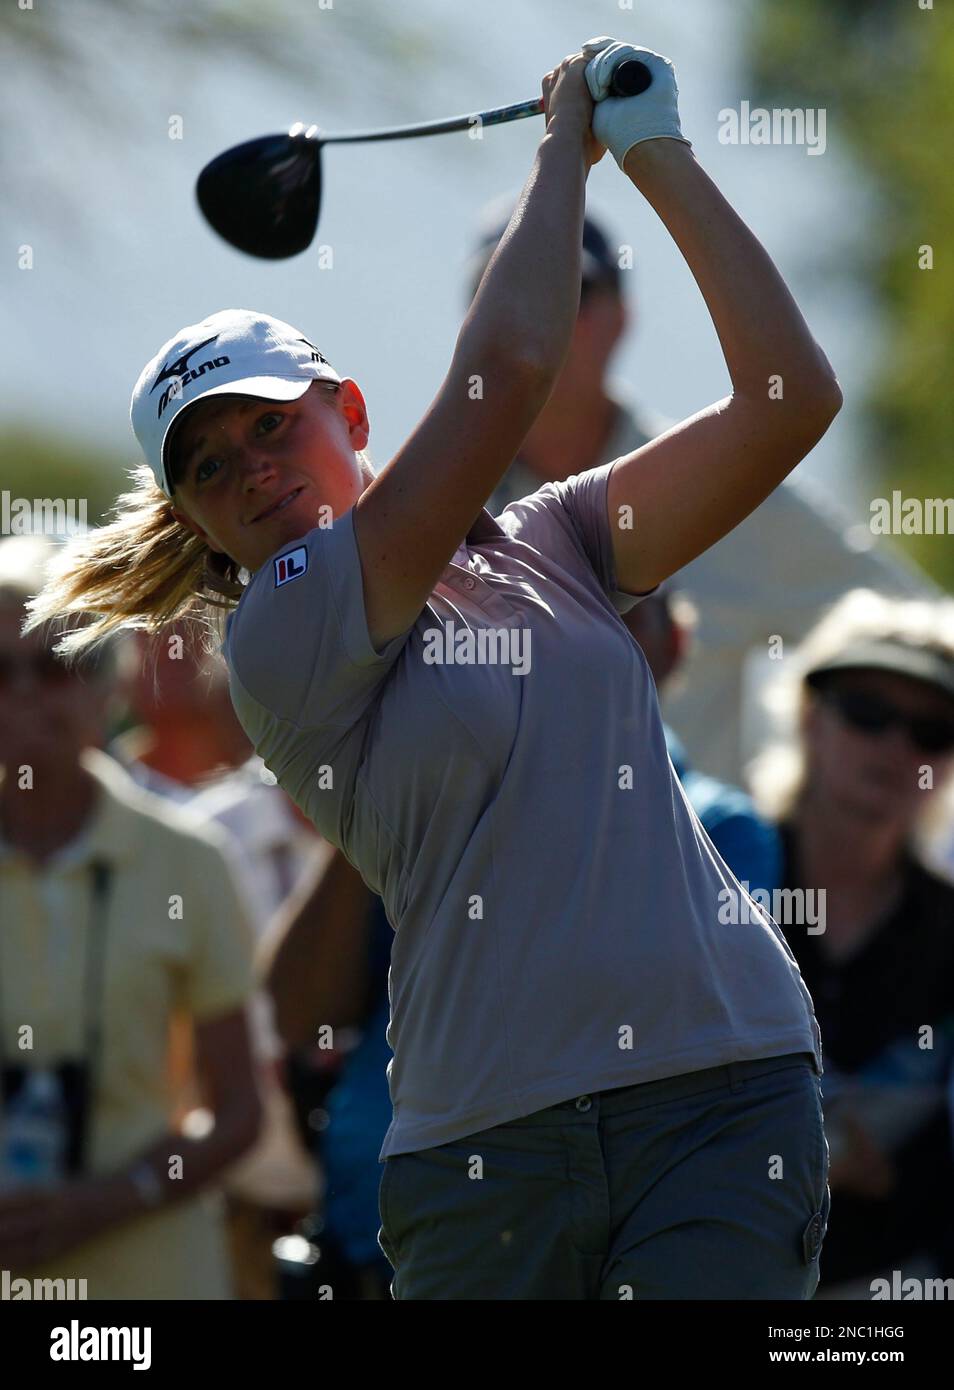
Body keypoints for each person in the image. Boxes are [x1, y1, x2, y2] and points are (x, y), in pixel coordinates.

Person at [25, 38, 842, 1299]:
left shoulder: (554, 537)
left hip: (721, 1093)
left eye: (269, 421)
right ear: (192, 522)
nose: (251, 467)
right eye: (208, 467)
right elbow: (511, 370)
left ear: (346, 414)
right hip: (487, 1154)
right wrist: (562, 154)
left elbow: (789, 398)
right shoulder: (278, 633)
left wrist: (653, 148)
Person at [467, 206, 931, 787]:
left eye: (573, 290)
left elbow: (923, 623)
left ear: (622, 320)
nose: (542, 314)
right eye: (503, 294)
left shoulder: (728, 485)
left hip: (695, 868)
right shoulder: (440, 517)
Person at [0, 536, 261, 1299]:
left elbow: (238, 1111)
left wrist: (110, 1202)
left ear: (108, 686)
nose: (26, 697)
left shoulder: (191, 859)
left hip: (150, 1284)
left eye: (56, 666)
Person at [748, 589, 954, 1294]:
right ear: (809, 719)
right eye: (868, 713)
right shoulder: (712, 880)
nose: (897, 749)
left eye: (932, 731)